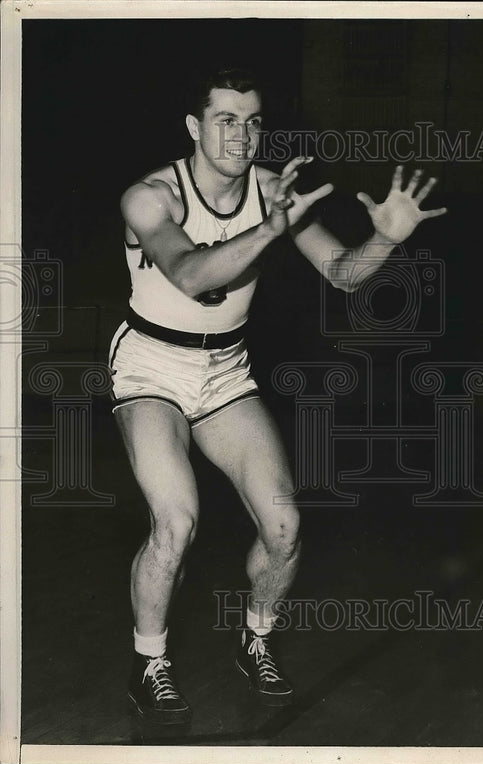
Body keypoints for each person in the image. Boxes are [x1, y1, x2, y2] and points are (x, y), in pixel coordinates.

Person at [109, 66, 446, 725]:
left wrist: (386, 238)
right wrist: (268, 229)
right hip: (150, 365)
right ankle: (149, 661)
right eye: (226, 120)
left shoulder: (273, 190)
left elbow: (343, 275)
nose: (241, 135)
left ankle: (255, 638)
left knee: (285, 526)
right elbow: (188, 274)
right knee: (176, 520)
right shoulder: (151, 197)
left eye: (253, 121)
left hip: (226, 371)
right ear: (194, 127)